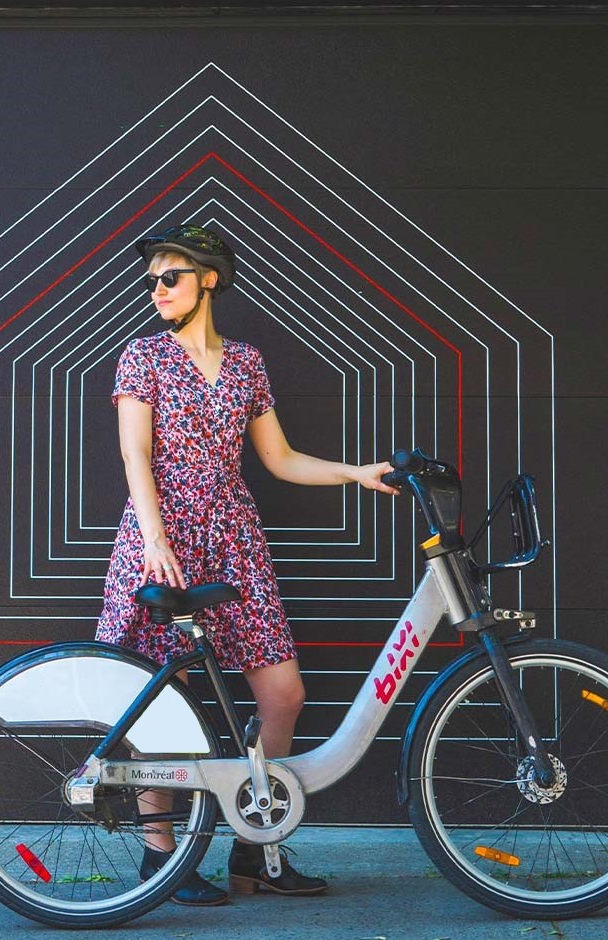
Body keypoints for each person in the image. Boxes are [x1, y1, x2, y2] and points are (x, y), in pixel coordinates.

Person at [96, 223, 398, 906]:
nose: (156, 290)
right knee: (157, 697)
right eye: (150, 281)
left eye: (168, 276)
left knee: (282, 694)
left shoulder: (246, 362)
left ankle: (255, 849)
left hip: (233, 536)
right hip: (161, 532)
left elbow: (278, 459)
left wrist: (356, 472)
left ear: (208, 278)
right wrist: (154, 539)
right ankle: (159, 855)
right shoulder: (142, 355)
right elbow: (134, 455)